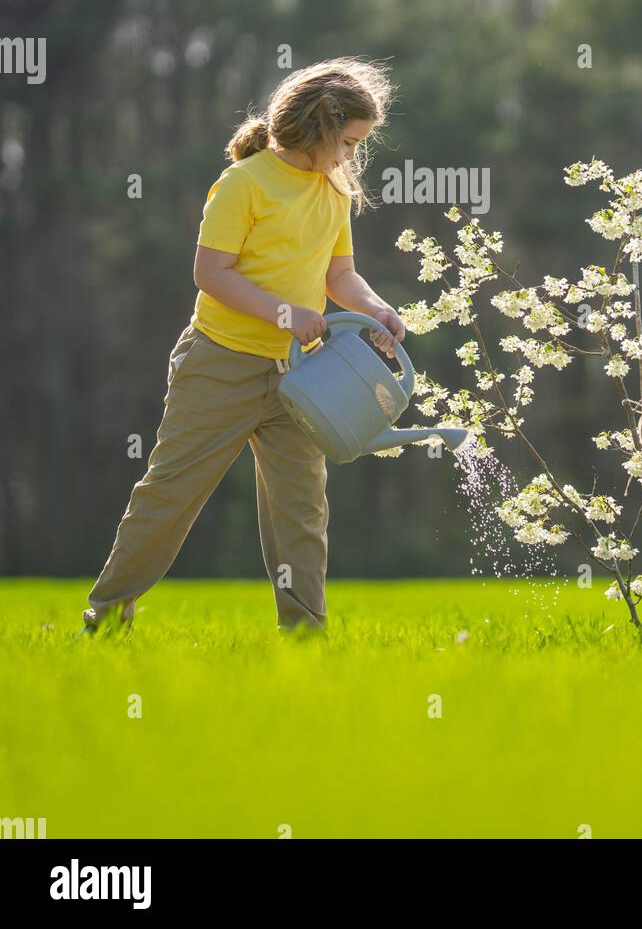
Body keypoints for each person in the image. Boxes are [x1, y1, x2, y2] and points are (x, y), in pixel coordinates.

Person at [80, 57, 404, 636]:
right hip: (219, 362)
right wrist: (287, 313)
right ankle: (105, 616)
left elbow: (340, 277)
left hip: (300, 375)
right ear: (319, 128)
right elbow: (212, 273)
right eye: (350, 142)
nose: (354, 156)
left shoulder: (332, 191)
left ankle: (304, 633)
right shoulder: (244, 183)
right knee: (170, 492)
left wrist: (376, 308)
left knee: (301, 510)